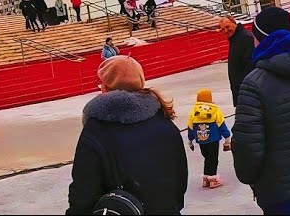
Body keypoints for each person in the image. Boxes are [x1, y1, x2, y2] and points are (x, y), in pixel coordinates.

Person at [66, 56, 187, 214]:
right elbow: (179, 181)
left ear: (107, 87)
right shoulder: (164, 123)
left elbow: (83, 191)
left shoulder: (97, 129)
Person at [233, 6, 290, 215]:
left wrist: (252, 179)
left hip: (286, 197)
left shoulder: (254, 84)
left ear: (263, 39)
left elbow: (248, 150)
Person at [187, 88, 231, 189]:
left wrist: (190, 140)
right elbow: (221, 125)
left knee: (207, 157)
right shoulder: (215, 111)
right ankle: (213, 179)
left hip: (201, 140)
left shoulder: (194, 112)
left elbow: (190, 127)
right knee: (213, 159)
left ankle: (206, 178)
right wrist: (227, 137)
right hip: (213, 139)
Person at [219, 16, 255, 110]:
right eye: (223, 29)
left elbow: (250, 65)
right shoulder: (235, 39)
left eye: (227, 27)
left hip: (247, 92)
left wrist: (245, 88)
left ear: (234, 23)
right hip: (240, 91)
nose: (226, 31)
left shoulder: (245, 38)